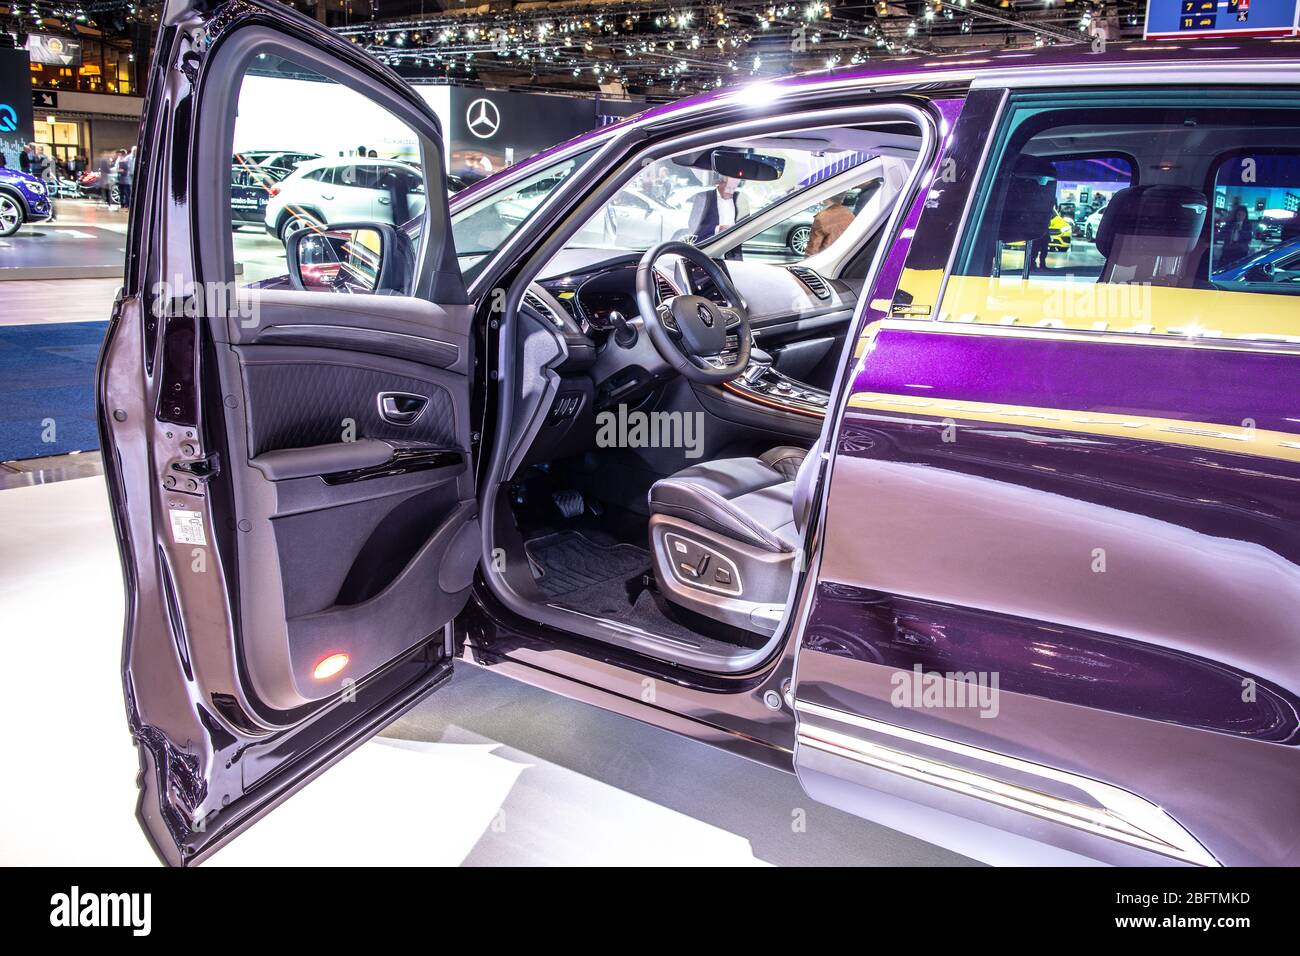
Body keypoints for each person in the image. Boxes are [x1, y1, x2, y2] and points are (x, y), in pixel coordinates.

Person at [687, 175, 749, 239]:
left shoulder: (740, 198)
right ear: (720, 183)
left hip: (733, 244)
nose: (731, 192)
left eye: (733, 188)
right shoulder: (704, 197)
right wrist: (717, 229)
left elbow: (747, 224)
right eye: (729, 188)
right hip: (710, 244)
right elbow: (693, 224)